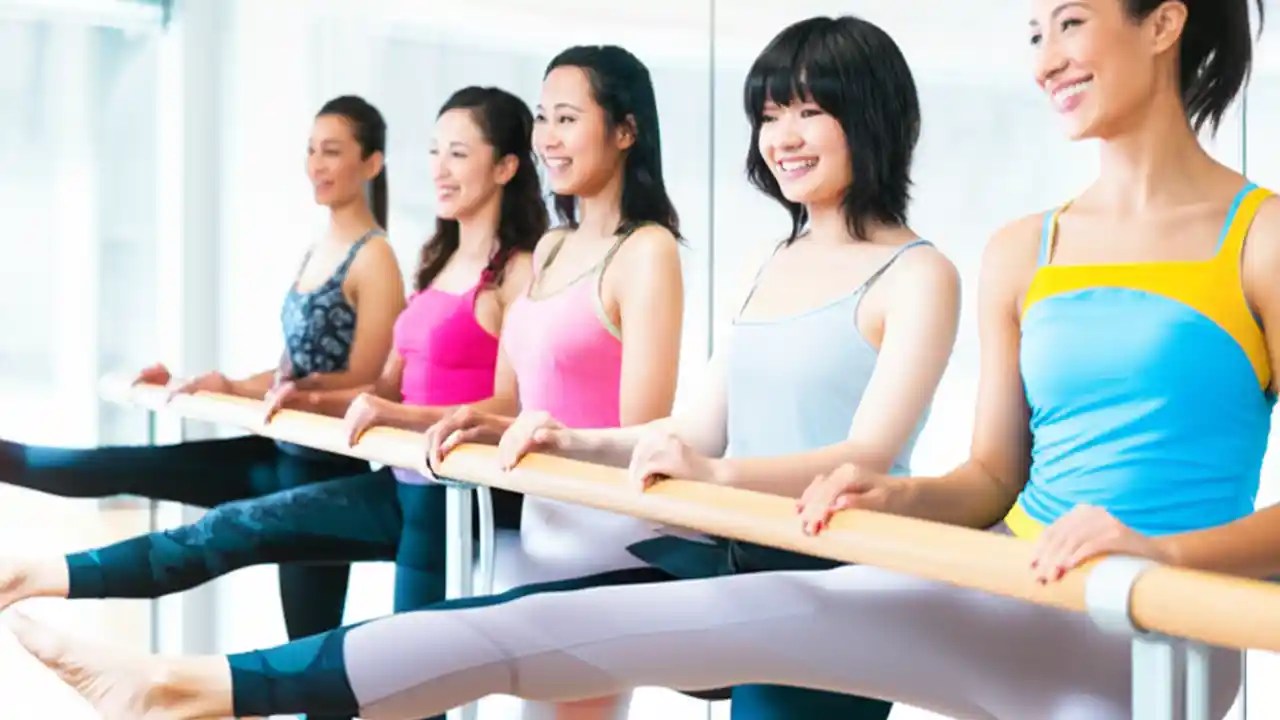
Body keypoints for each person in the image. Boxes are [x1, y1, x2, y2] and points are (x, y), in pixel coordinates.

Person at [3, 16, 960, 720]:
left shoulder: (919, 276)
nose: (782, 136)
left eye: (808, 112)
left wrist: (709, 475)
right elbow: (688, 430)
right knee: (493, 632)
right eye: (769, 114)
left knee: (502, 633)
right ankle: (190, 687)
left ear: (869, 118)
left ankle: (183, 683)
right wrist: (552, 432)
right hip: (725, 559)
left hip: (825, 586)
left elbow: (866, 457)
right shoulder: (772, 265)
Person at [0, 86, 543, 623]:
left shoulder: (512, 272)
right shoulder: (435, 263)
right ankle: (43, 576)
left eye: (459, 153)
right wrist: (239, 387)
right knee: (214, 523)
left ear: (505, 167)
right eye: (433, 151)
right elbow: (382, 388)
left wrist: (369, 408)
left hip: (442, 494)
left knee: (400, 680)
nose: (440, 169)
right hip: (395, 479)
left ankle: (47, 581)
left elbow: (505, 403)